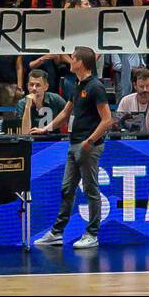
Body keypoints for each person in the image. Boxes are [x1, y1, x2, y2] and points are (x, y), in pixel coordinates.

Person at [34, 48, 114, 249]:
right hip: (73, 144)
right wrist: (46, 128)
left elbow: (107, 120)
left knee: (90, 189)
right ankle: (57, 233)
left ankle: (92, 234)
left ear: (81, 63)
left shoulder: (96, 87)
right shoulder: (76, 85)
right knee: (67, 189)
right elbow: (65, 112)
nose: (69, 60)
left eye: (73, 58)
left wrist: (89, 142)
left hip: (88, 146)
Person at [114, 67, 149, 133]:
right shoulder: (125, 100)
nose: (145, 89)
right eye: (141, 86)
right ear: (134, 85)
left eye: (147, 86)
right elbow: (118, 123)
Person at [17, 68, 65, 135]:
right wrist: (27, 107)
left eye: (38, 85)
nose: (34, 88)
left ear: (46, 87)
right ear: (27, 86)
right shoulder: (22, 103)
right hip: (32, 141)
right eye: (31, 85)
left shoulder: (56, 100)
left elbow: (68, 117)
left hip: (53, 141)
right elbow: (25, 133)